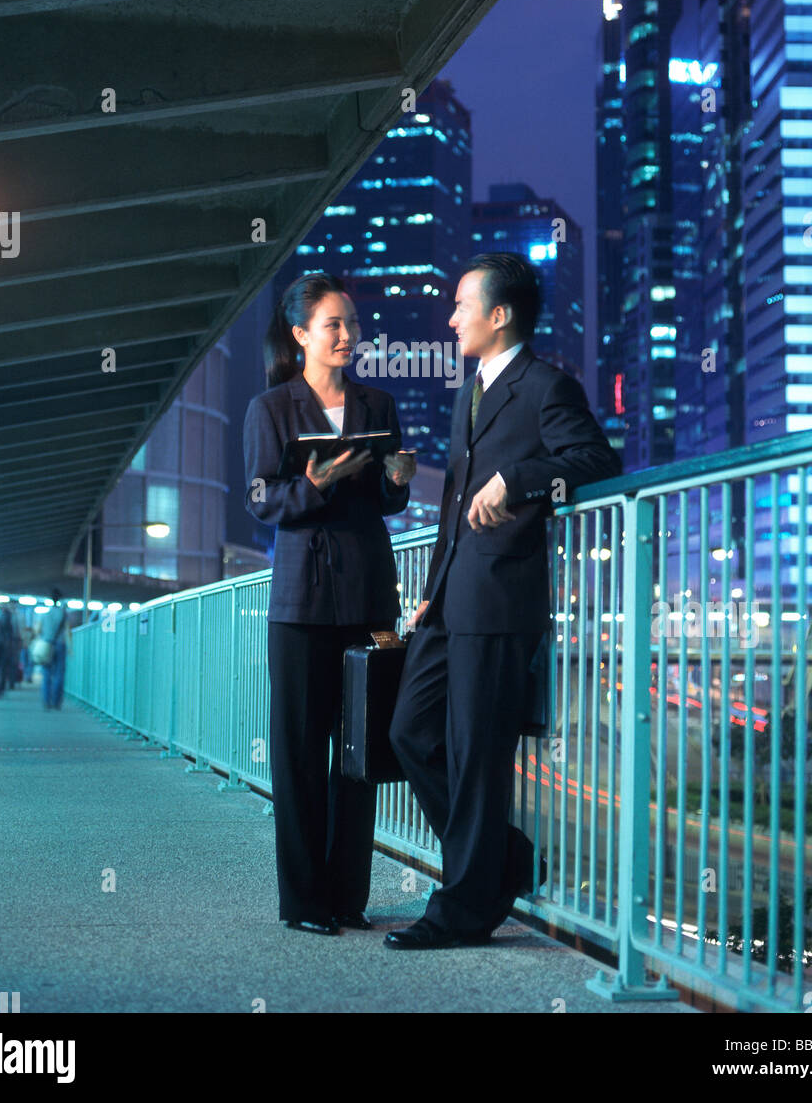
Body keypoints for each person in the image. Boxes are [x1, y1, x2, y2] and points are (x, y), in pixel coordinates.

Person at [385, 252, 622, 950]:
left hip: (500, 601)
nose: (451, 316)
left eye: (462, 305)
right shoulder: (470, 391)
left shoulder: (547, 386)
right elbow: (453, 503)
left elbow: (595, 463)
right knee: (409, 733)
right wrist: (427, 595)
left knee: (474, 757)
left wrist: (517, 480)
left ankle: (461, 909)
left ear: (500, 314)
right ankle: (506, 861)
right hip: (450, 597)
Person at [244, 273, 416, 937]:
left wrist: (396, 482)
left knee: (360, 752)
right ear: (299, 336)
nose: (346, 336)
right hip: (300, 601)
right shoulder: (273, 408)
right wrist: (313, 485)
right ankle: (304, 902)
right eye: (332, 325)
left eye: (351, 323)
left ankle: (349, 896)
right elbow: (261, 499)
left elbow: (388, 500)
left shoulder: (378, 404)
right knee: (297, 753)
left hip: (369, 594)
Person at [40, 590, 71, 710]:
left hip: (47, 645)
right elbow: (67, 630)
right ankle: (56, 702)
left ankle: (46, 701)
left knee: (46, 673)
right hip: (60, 645)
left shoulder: (45, 614)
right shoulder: (63, 613)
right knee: (59, 674)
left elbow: (38, 629)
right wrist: (71, 647)